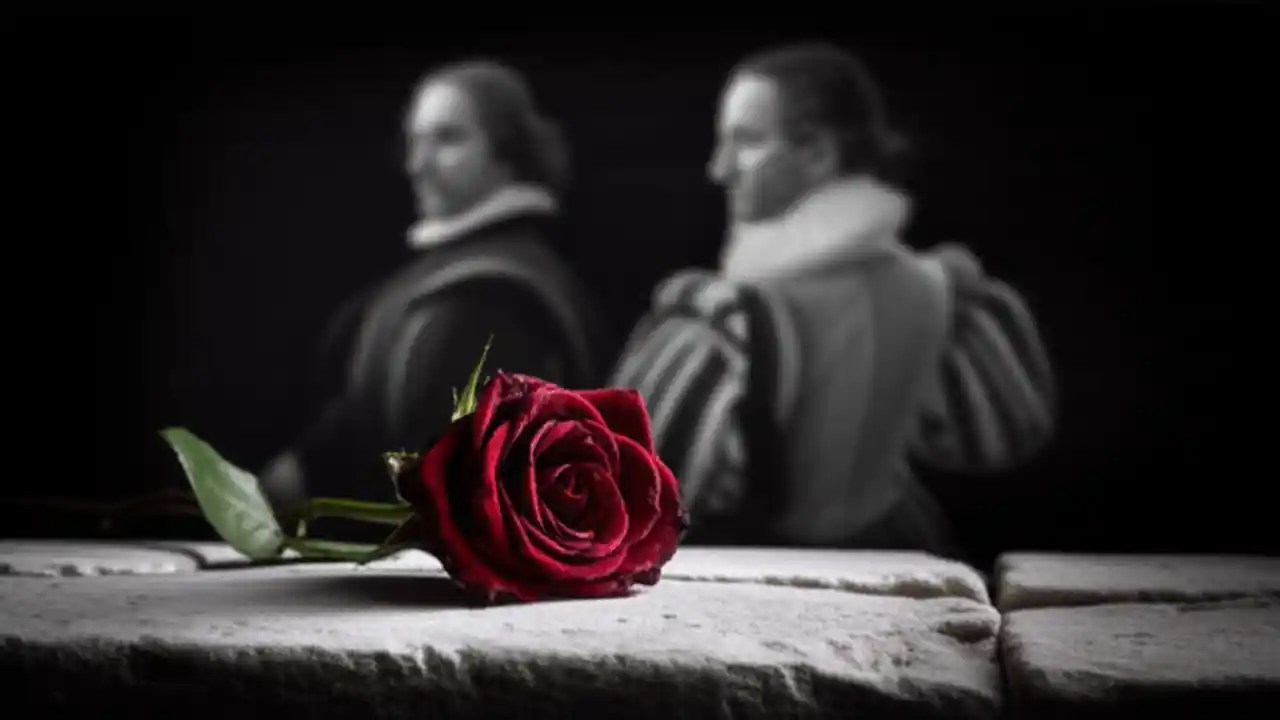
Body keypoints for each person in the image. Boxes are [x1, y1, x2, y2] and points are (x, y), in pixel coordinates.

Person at [608, 41, 1056, 558]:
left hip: (767, 582)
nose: (720, 168)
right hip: (899, 552)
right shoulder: (939, 287)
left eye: (746, 142)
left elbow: (634, 487)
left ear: (819, 153)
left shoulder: (730, 313)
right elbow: (994, 436)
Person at [260, 60, 609, 514]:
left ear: (507, 149)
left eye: (447, 139)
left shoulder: (496, 295)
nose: (417, 165)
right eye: (414, 141)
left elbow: (450, 474)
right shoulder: (452, 272)